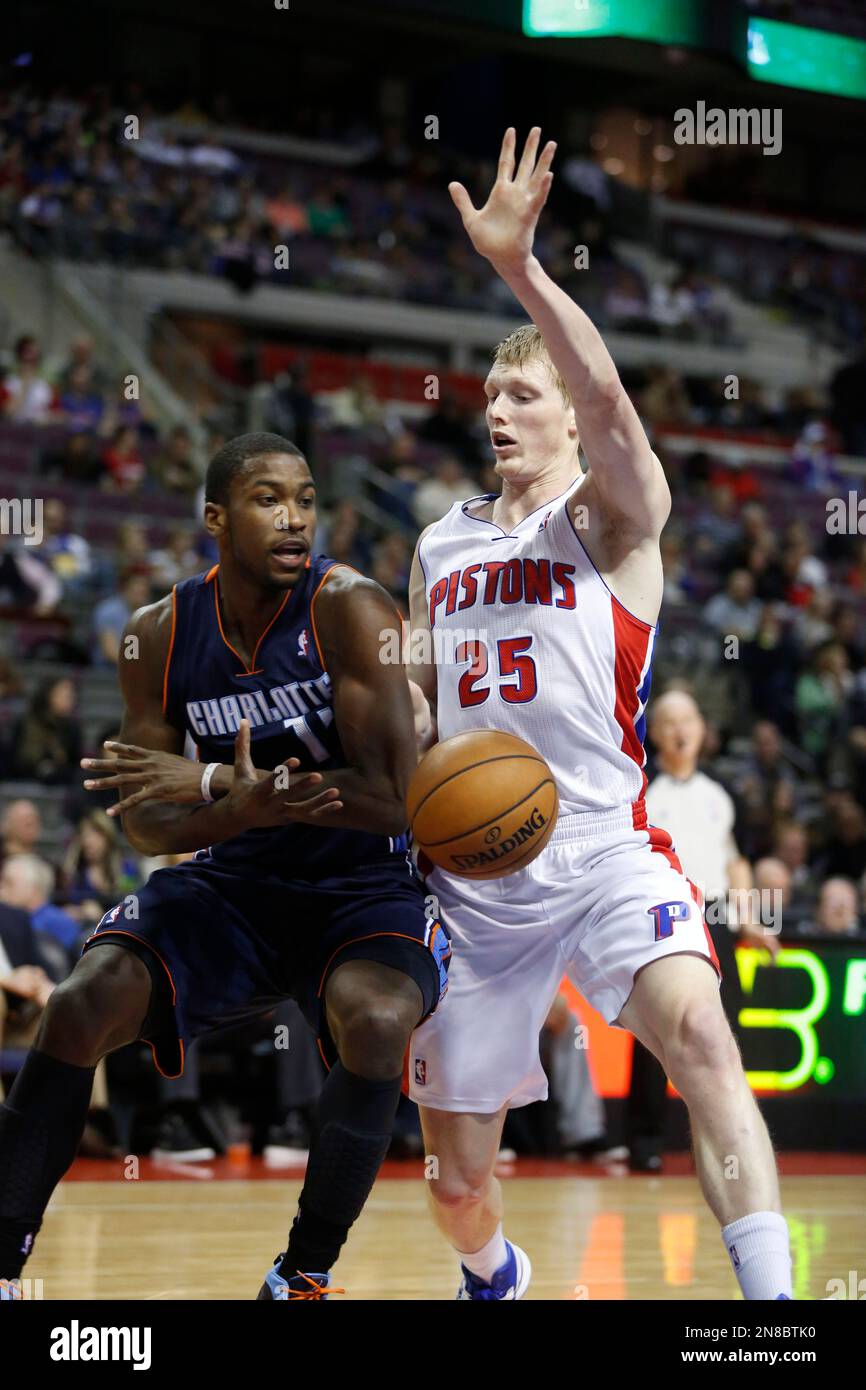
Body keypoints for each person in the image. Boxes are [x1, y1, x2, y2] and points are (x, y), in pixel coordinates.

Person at [407, 128, 795, 1300]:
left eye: (523, 393)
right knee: (453, 1183)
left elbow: (614, 398)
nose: (499, 412)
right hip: (471, 873)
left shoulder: (610, 519)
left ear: (567, 417)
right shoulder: (439, 540)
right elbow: (419, 694)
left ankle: (772, 1314)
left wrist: (520, 270)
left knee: (700, 1040)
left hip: (599, 844)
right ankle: (499, 1274)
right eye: (488, 396)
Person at [0, 432, 449, 1301]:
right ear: (215, 517)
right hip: (234, 884)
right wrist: (231, 807)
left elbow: (397, 800)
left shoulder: (353, 611)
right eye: (269, 500)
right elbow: (145, 822)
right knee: (79, 1003)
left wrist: (225, 790)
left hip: (358, 886)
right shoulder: (157, 636)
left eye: (308, 499)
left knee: (381, 1017)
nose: (296, 520)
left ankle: (303, 1275)